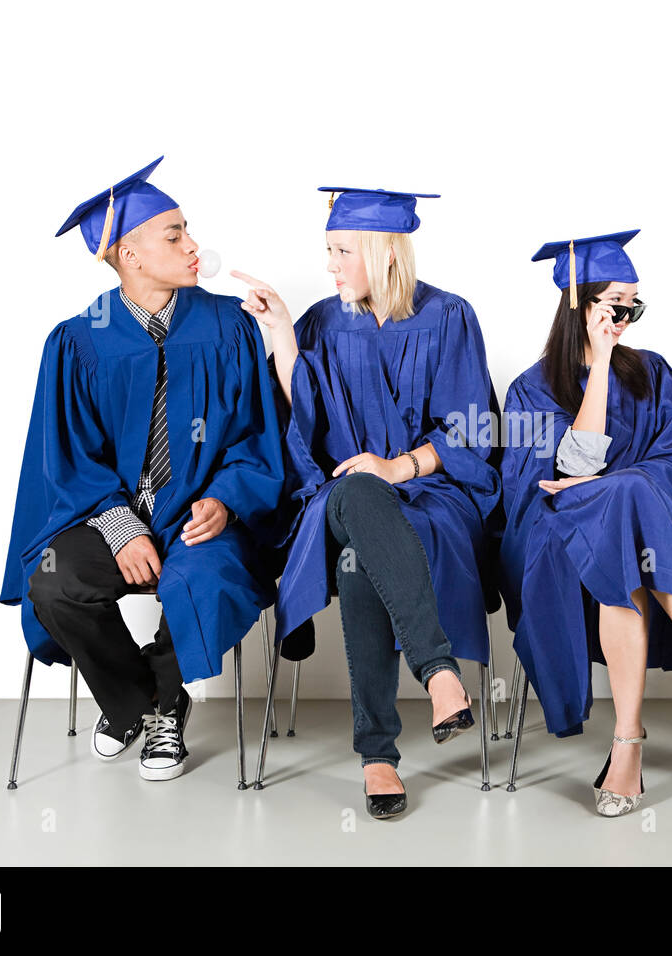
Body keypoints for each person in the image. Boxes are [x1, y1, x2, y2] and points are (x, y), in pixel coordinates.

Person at [0, 157, 285, 781]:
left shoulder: (228, 327)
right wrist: (118, 524)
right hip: (111, 513)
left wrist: (227, 499)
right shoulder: (80, 341)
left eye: (189, 231)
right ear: (128, 253)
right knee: (53, 578)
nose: (193, 247)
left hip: (198, 516)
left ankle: (151, 708)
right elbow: (67, 454)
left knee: (203, 578)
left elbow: (256, 435)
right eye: (174, 235)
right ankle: (150, 703)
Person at [233, 187, 502, 820]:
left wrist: (399, 466)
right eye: (328, 250)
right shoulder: (325, 321)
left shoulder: (450, 316)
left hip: (433, 493)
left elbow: (471, 433)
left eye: (341, 251)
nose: (329, 265)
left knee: (358, 558)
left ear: (384, 254)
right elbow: (311, 431)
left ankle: (377, 754)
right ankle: (439, 672)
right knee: (355, 494)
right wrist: (281, 338)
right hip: (346, 491)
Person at [499, 231, 672, 818]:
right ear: (580, 308)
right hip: (560, 554)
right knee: (623, 498)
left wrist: (605, 487)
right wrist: (598, 367)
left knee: (628, 505)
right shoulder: (531, 389)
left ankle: (628, 745)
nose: (626, 318)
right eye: (614, 306)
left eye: (634, 306)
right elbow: (558, 479)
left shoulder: (653, 374)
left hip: (646, 552)